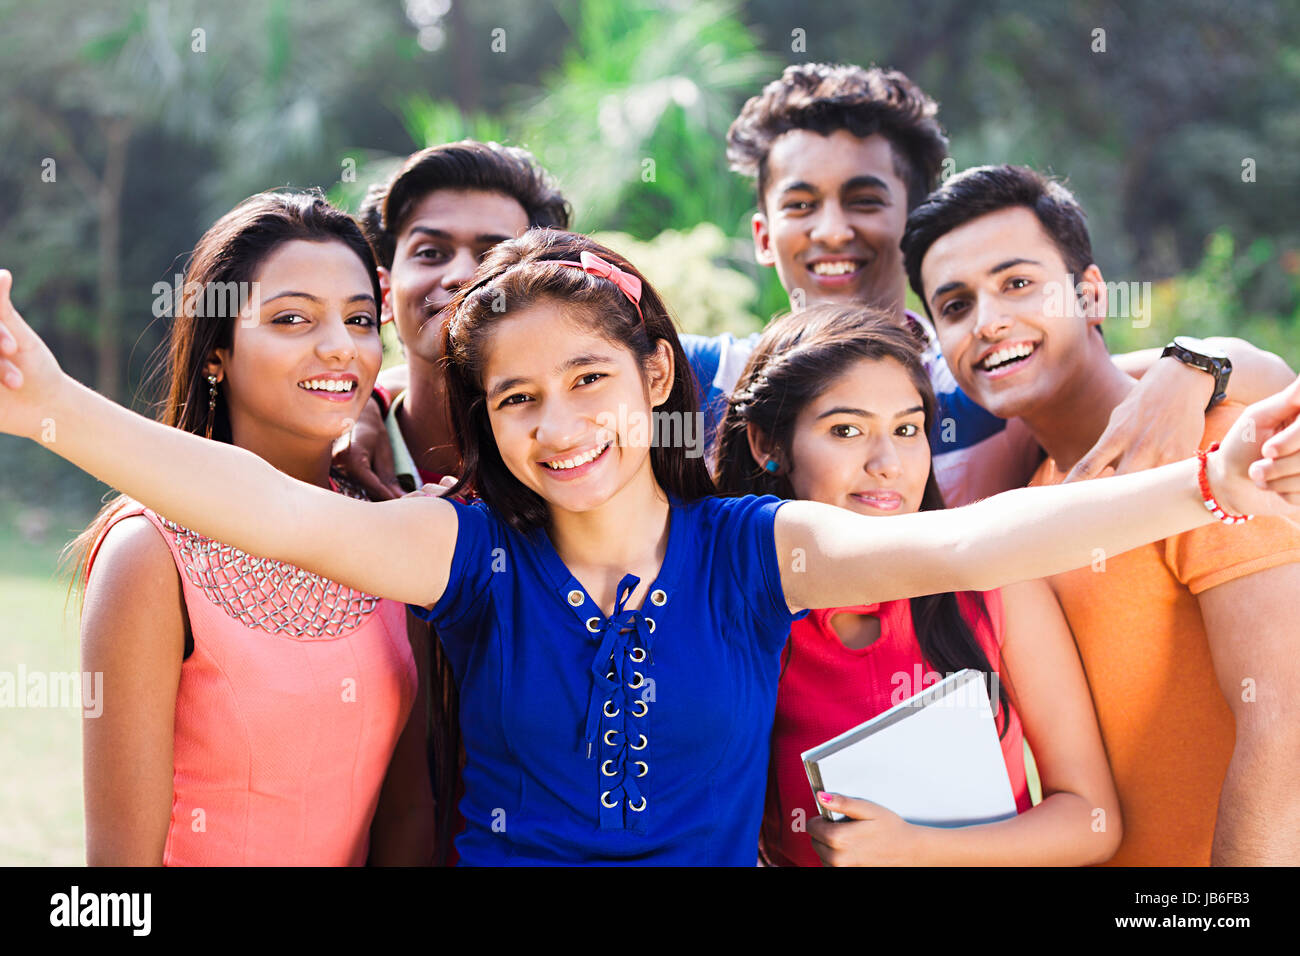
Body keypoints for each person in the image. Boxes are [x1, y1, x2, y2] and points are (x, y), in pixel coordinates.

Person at [4, 229, 1299, 866]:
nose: (559, 426)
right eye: (517, 400)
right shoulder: (469, 557)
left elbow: (981, 536)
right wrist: (53, 405)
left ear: (656, 372)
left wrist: (1206, 483)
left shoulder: (748, 555)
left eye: (587, 380)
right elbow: (273, 508)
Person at [901, 164, 1300, 865]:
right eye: (956, 306)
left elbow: (1285, 732)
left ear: (1089, 294)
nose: (989, 322)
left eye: (1018, 284)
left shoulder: (1213, 448)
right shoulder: (1031, 504)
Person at [684, 62, 1296, 503]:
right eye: (800, 206)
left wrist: (1192, 365)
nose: (833, 230)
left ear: (913, 224)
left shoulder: (982, 377)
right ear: (764, 236)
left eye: (864, 200)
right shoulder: (706, 376)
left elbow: (1237, 375)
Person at [64, 191, 433, 865]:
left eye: (359, 321)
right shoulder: (149, 553)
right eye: (292, 318)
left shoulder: (389, 532)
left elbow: (408, 814)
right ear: (216, 353)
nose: (338, 349)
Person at [714, 305, 1120, 866]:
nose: (888, 463)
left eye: (907, 429)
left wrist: (918, 848)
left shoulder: (998, 585)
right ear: (767, 444)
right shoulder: (729, 610)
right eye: (846, 430)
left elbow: (1093, 822)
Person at [340, 140, 571, 499]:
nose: (461, 275)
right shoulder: (333, 466)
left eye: (493, 255)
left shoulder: (584, 457)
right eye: (430, 253)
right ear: (383, 294)